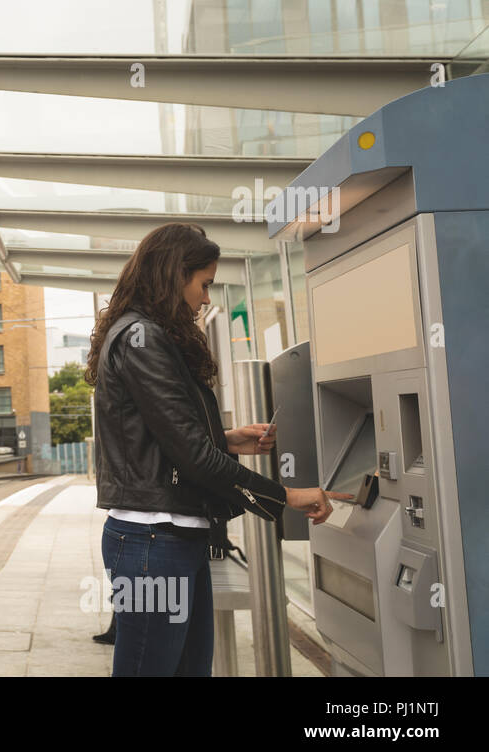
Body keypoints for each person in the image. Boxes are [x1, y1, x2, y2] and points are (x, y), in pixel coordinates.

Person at [85, 222, 351, 677]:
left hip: (169, 538)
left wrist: (226, 439)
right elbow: (191, 454)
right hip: (155, 542)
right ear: (174, 275)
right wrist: (284, 498)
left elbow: (157, 436)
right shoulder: (144, 339)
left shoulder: (145, 335)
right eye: (203, 284)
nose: (206, 298)